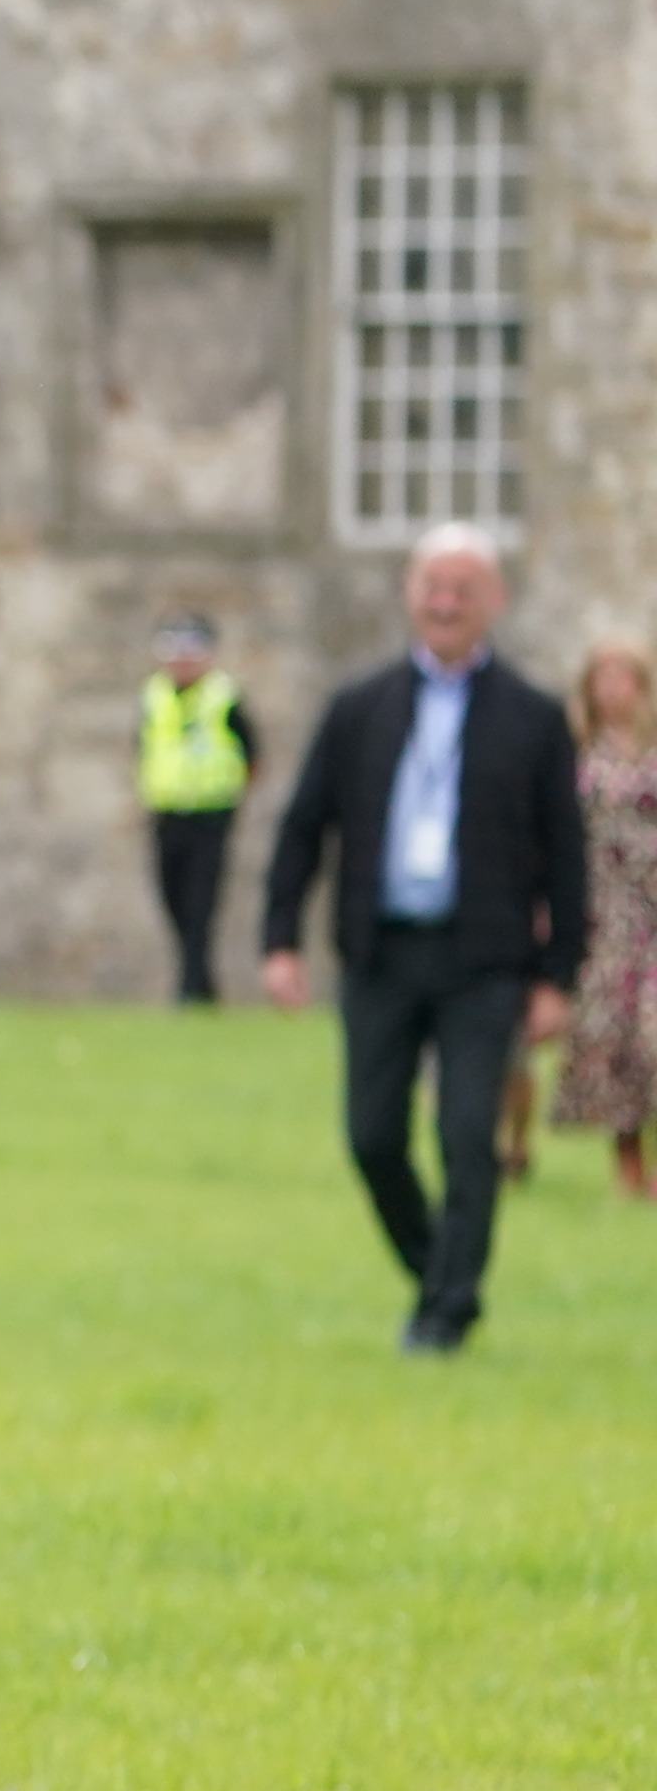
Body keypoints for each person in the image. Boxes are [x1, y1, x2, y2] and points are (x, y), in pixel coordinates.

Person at [261, 525, 590, 1355]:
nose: (446, 603)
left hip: (484, 960)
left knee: (468, 1135)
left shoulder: (534, 717)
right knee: (372, 1135)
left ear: (494, 601)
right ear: (410, 593)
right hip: (381, 952)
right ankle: (440, 1269)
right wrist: (281, 941)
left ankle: (446, 1312)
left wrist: (558, 976)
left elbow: (567, 854)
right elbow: (304, 828)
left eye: (463, 589)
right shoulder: (359, 707)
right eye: (432, 586)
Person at [544, 642, 657, 1199]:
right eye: (602, 678)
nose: (612, 689)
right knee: (614, 1040)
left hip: (652, 907)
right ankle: (628, 1167)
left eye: (622, 677)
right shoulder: (574, 754)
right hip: (603, 915)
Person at [139, 615, 256, 1003]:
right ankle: (201, 982)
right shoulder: (154, 696)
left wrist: (232, 795)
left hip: (211, 813)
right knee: (172, 897)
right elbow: (144, 748)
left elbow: (251, 753)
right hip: (167, 812)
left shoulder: (224, 697)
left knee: (200, 902)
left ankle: (190, 989)